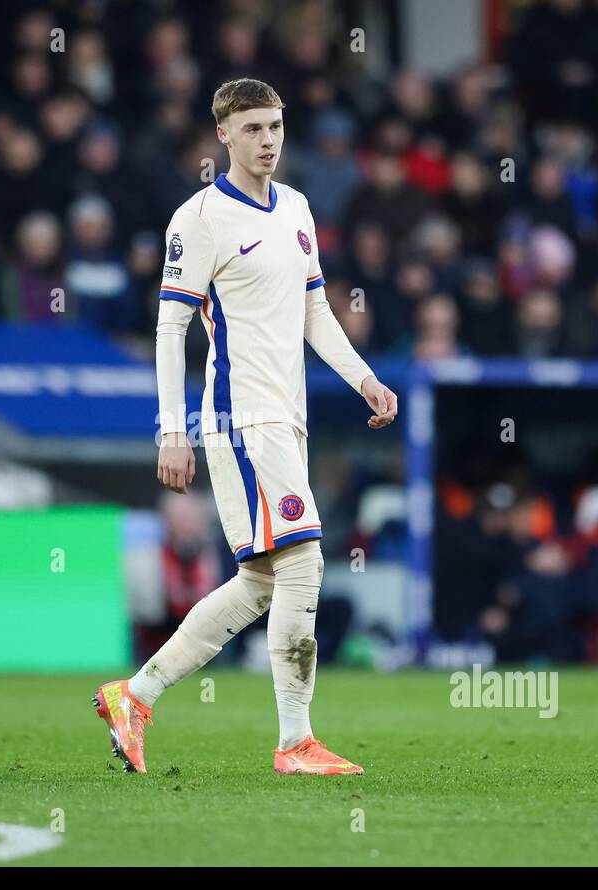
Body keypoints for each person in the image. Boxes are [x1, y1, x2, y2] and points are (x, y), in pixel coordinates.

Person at [92, 79, 398, 776]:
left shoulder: (296, 207)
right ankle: (295, 742)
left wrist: (364, 378)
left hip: (288, 419)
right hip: (239, 418)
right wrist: (173, 429)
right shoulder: (199, 220)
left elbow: (315, 310)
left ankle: (133, 696)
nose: (268, 141)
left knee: (262, 583)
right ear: (223, 135)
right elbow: (170, 327)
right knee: (307, 562)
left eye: (276, 127)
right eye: (254, 128)